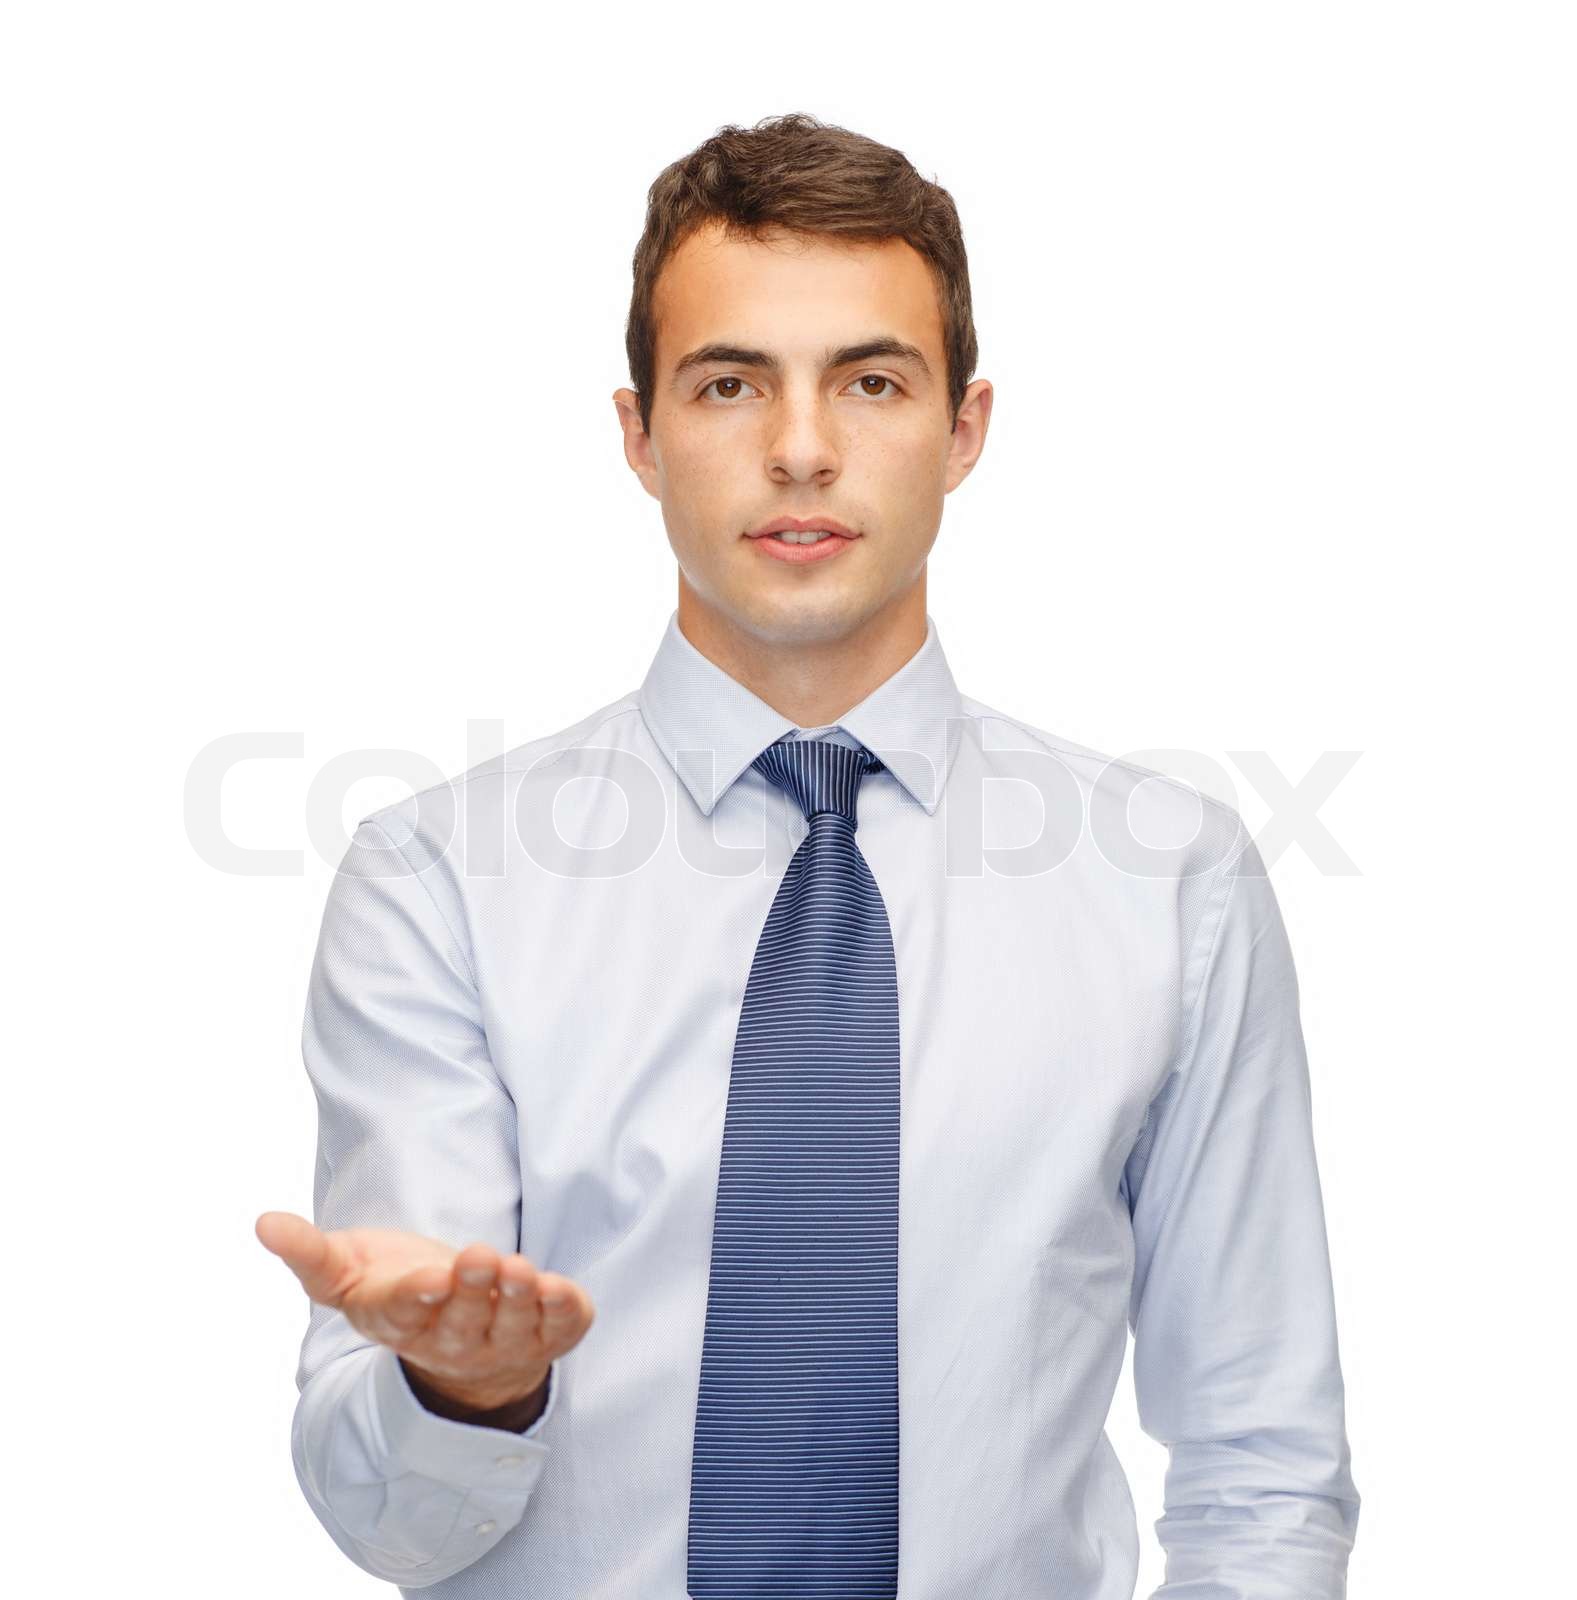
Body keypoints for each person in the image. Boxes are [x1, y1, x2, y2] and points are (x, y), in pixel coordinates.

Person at [256, 111, 1360, 1599]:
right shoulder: (438, 883)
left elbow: (1261, 1468)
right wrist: (462, 1388)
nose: (799, 449)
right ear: (640, 436)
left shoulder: (1172, 886)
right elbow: (386, 1525)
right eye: (729, 383)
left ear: (962, 431)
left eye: (871, 381)